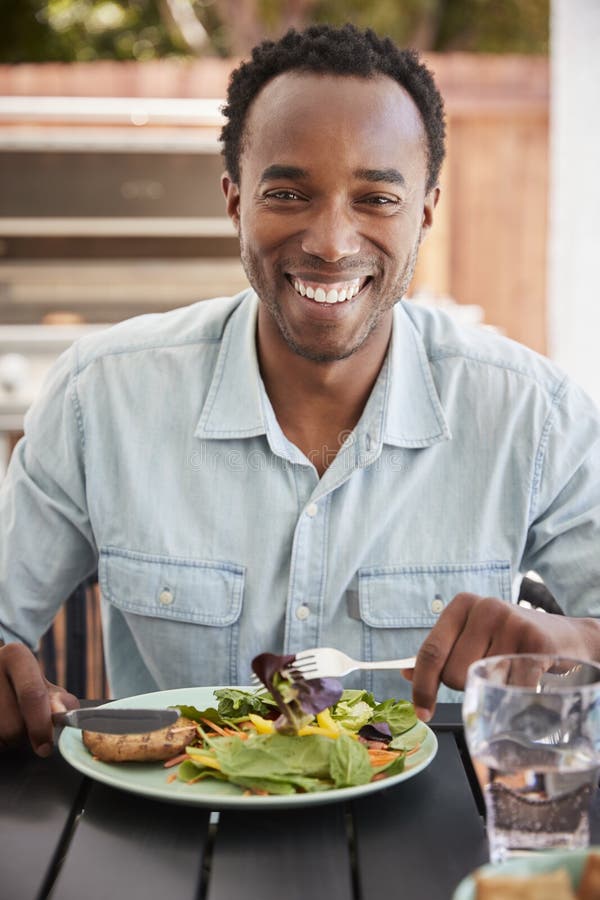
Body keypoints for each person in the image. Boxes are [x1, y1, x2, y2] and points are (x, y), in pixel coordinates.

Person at [1, 24, 599, 758]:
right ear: (234, 202)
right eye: (288, 193)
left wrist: (572, 641)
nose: (331, 241)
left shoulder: (533, 414)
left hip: (436, 853)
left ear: (427, 211)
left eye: (376, 199)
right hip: (170, 837)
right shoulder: (101, 398)